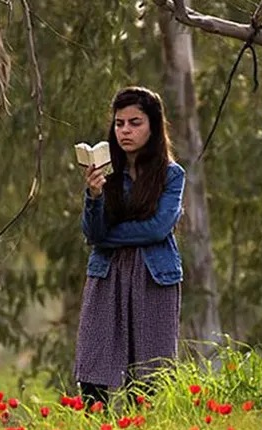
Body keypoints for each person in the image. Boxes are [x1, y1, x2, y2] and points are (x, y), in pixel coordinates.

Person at [75, 85, 185, 411]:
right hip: (107, 273)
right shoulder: (106, 173)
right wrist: (93, 198)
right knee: (94, 365)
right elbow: (92, 232)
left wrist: (109, 236)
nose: (125, 130)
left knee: (152, 370)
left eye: (135, 122)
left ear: (153, 126)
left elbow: (158, 228)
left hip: (154, 275)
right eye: (120, 123)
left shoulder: (171, 175)